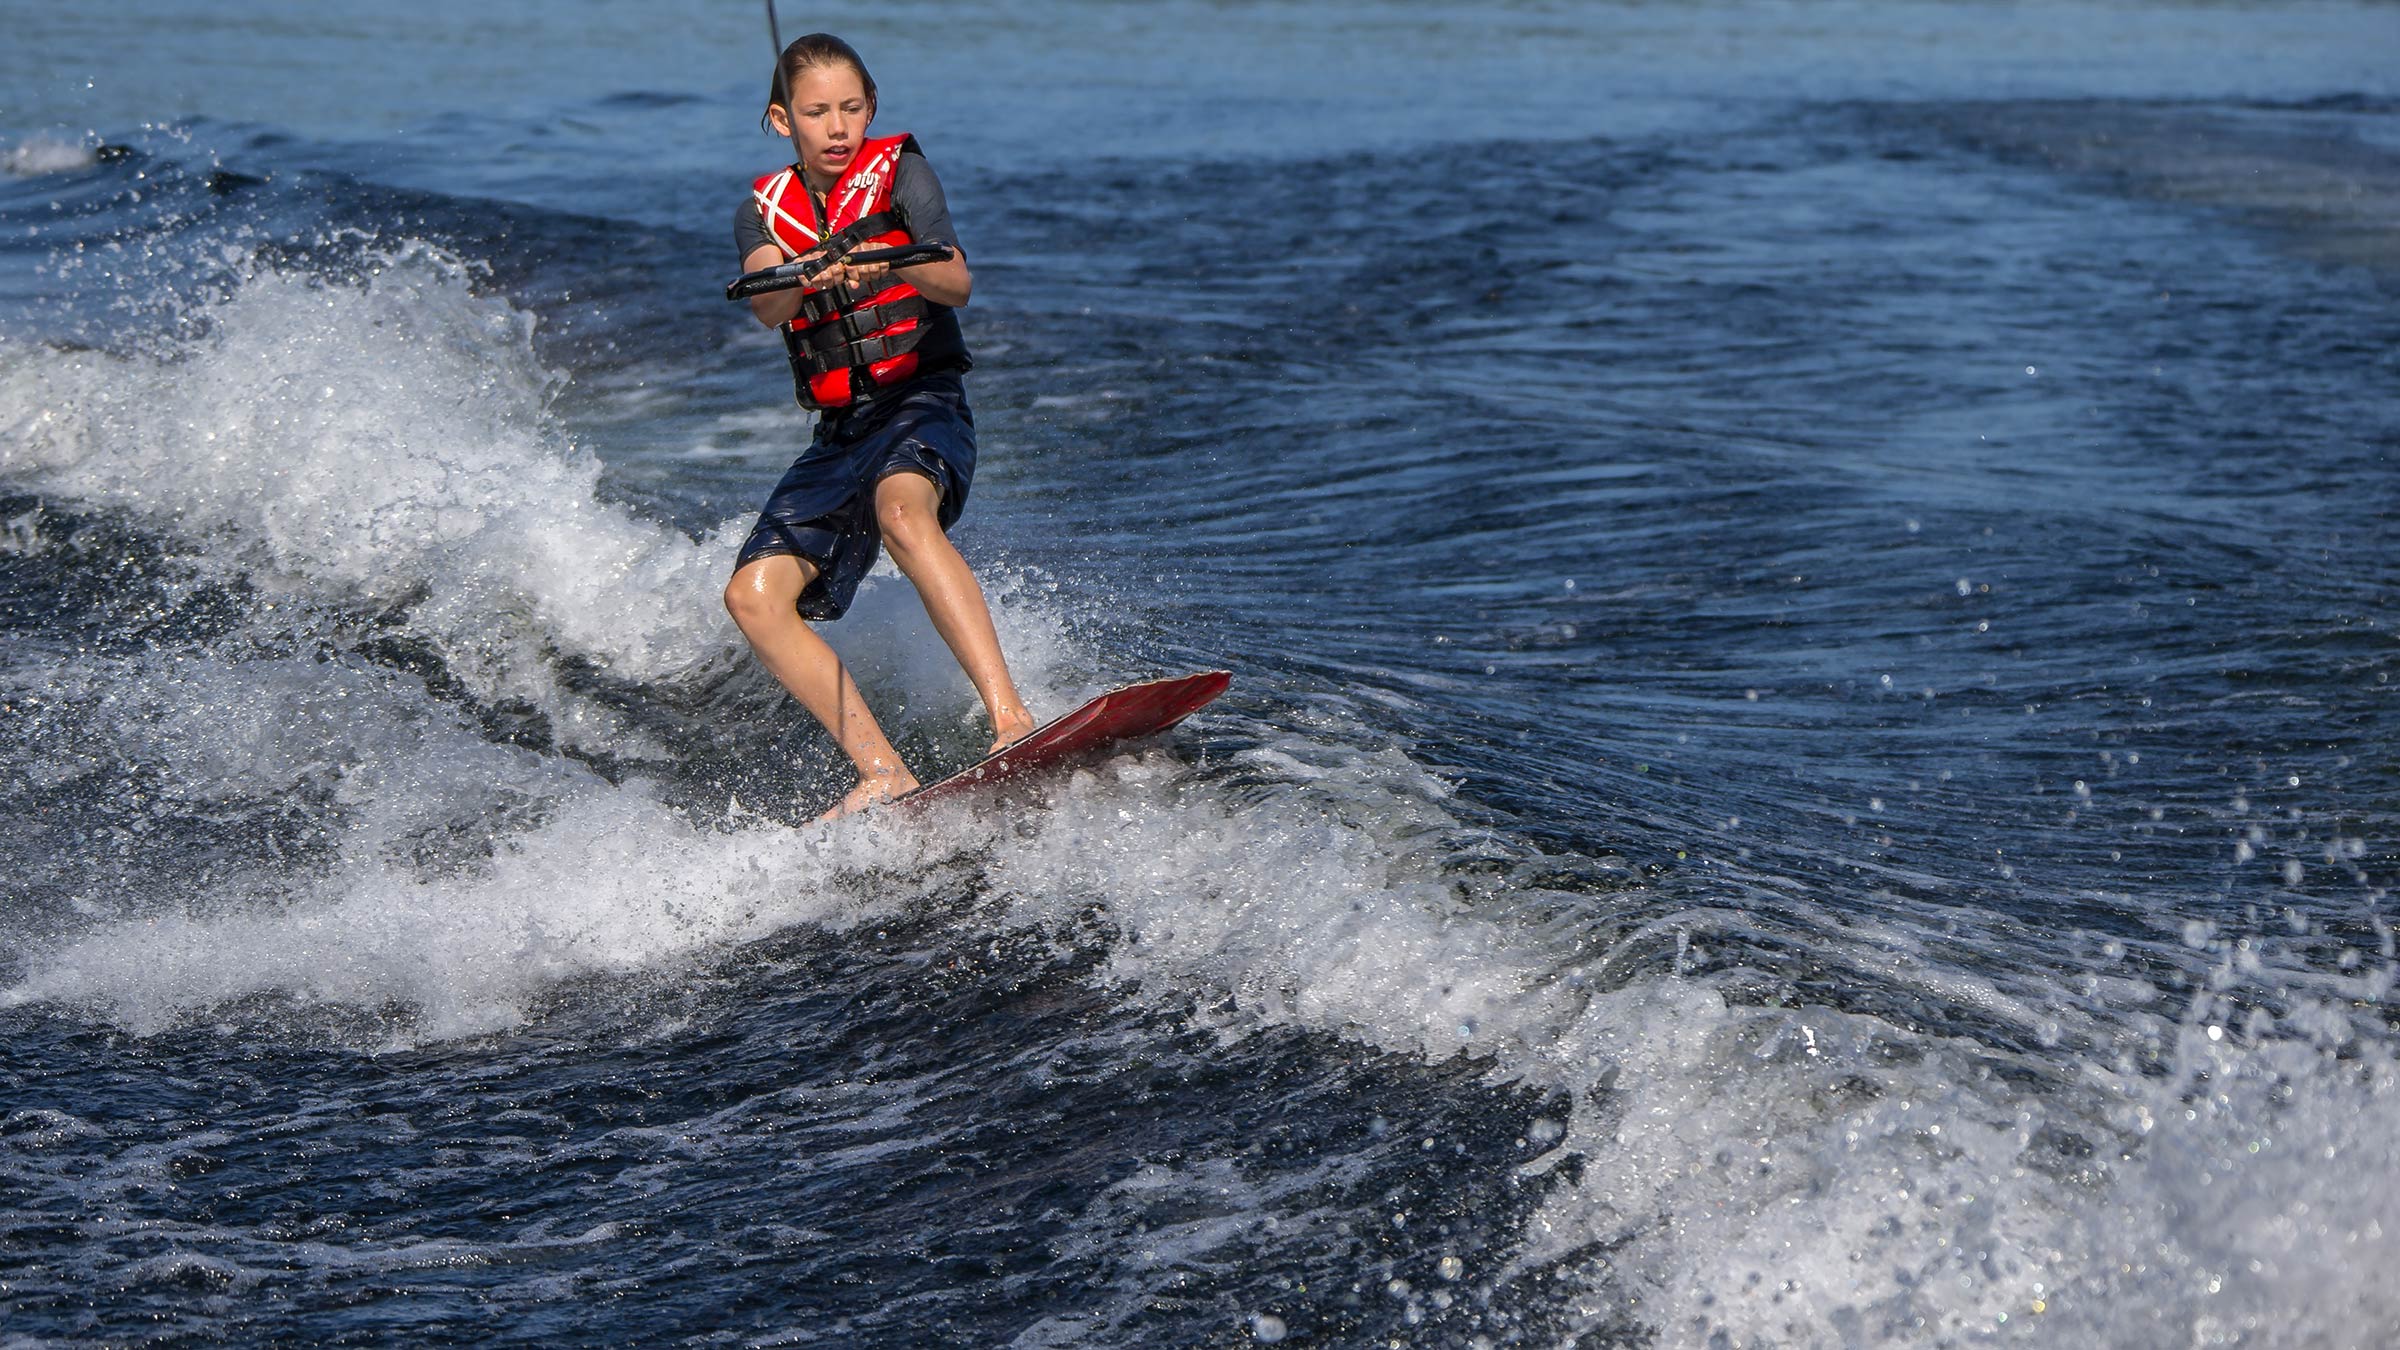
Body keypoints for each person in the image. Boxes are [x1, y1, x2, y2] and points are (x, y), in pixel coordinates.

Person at [724, 33, 1034, 820]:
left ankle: (1010, 719)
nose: (837, 128)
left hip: (923, 403)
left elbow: (956, 282)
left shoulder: (902, 176)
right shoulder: (761, 212)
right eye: (817, 112)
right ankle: (882, 771)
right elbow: (766, 302)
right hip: (839, 435)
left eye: (852, 109)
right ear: (780, 118)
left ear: (872, 110)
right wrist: (804, 272)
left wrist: (890, 260)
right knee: (754, 597)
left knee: (903, 510)